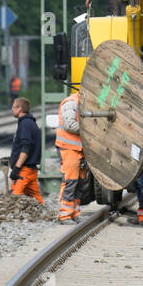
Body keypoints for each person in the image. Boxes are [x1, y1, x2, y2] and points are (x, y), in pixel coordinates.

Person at [55, 87, 83, 222]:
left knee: (80, 182)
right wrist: (89, 130)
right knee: (70, 181)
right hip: (69, 148)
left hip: (78, 148)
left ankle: (74, 212)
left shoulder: (81, 102)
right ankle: (64, 214)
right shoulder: (71, 102)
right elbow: (69, 124)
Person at [9, 97, 44, 204]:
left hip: (24, 170)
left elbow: (26, 148)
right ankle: (45, 216)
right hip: (31, 169)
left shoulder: (25, 124)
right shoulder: (30, 123)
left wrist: (16, 168)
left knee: (14, 196)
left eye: (13, 107)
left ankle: (13, 220)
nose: (12, 109)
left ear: (19, 109)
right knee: (37, 199)